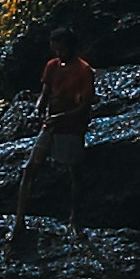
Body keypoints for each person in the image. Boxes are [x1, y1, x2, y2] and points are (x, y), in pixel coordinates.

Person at [19, 21, 96, 225]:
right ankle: (19, 222)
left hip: (72, 128)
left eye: (62, 49)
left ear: (71, 48)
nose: (59, 53)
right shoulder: (52, 66)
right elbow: (44, 93)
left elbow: (85, 107)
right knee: (29, 169)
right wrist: (38, 109)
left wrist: (60, 117)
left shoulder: (84, 71)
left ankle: (75, 219)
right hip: (50, 125)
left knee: (74, 174)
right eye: (55, 49)